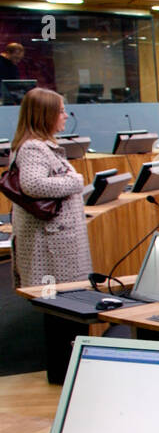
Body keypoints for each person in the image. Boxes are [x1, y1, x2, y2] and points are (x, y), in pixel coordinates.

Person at [8, 88, 91, 287]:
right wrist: (75, 181)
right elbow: (33, 185)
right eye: (61, 111)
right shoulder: (33, 148)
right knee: (58, 303)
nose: (65, 116)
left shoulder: (39, 145)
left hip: (54, 238)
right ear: (45, 115)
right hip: (49, 243)